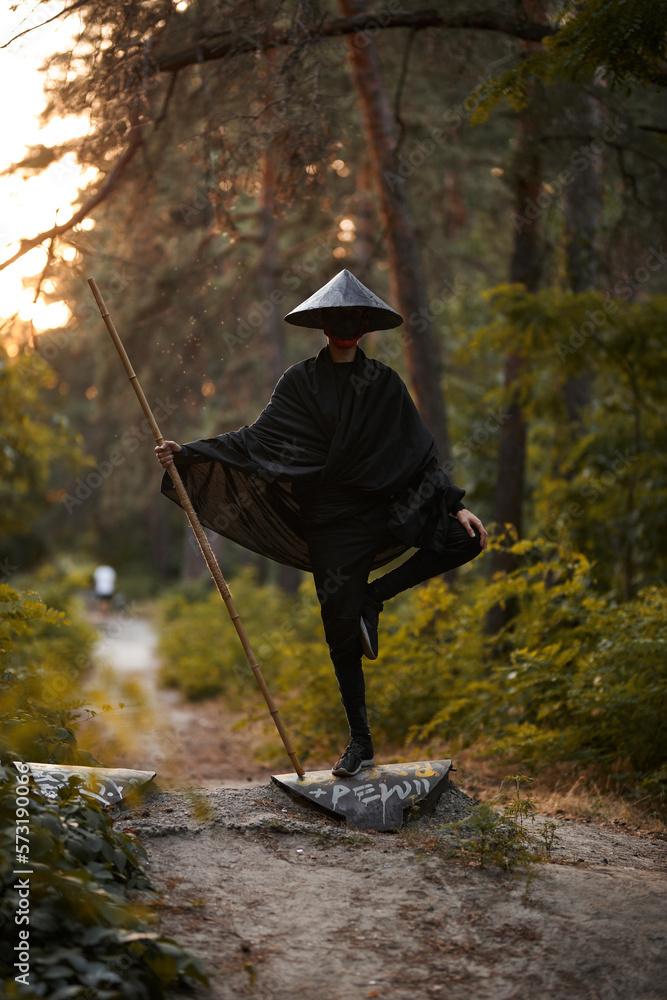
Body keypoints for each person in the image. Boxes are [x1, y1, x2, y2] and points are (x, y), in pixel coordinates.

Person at [155, 270, 487, 777]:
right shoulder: (299, 381)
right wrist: (189, 451)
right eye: (337, 319)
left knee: (465, 540)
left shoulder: (384, 384)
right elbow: (255, 441)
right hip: (329, 522)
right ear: (324, 325)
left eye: (354, 319)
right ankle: (361, 743)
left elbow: (420, 454)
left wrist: (455, 503)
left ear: (365, 327)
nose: (346, 327)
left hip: (384, 510)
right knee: (339, 632)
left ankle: (375, 597)